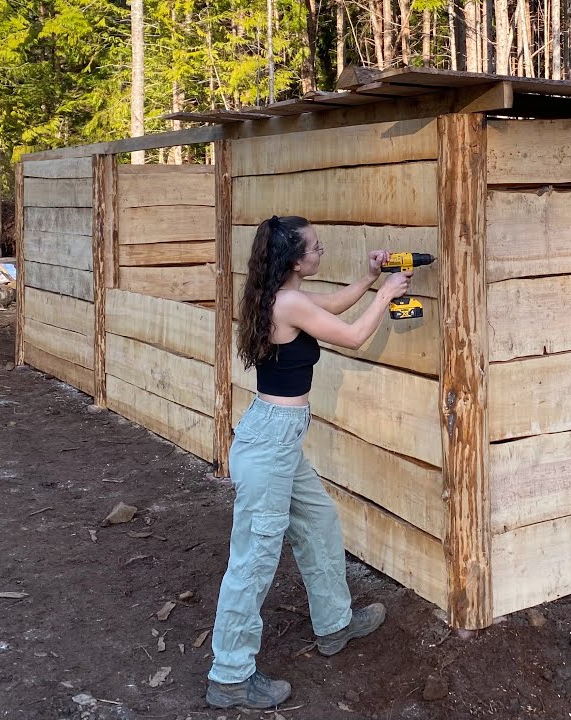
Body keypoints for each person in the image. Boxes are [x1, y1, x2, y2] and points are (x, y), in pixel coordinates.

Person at [206, 215, 413, 711]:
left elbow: (333, 307)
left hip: (276, 436)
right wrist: (386, 294)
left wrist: (367, 279)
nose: (322, 252)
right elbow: (354, 335)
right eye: (316, 248)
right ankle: (230, 676)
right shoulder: (289, 300)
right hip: (271, 443)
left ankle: (335, 623)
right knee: (254, 559)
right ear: (296, 260)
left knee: (318, 522)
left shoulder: (281, 293)